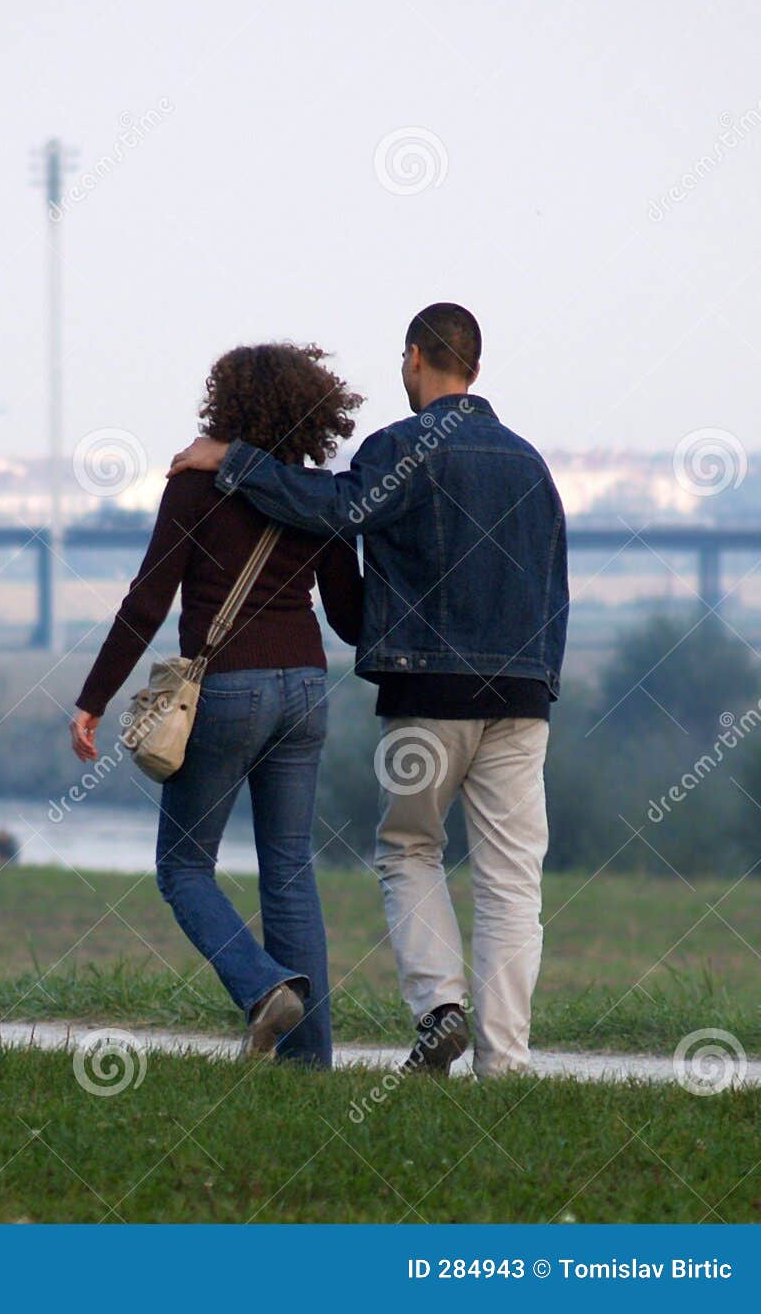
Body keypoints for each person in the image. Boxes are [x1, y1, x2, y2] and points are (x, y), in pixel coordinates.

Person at [168, 303, 568, 1079]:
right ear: (476, 370)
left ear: (415, 358)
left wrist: (235, 459)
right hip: (523, 699)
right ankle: (507, 1066)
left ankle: (439, 1007)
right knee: (513, 880)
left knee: (409, 847)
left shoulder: (402, 446)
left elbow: (334, 510)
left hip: (429, 698)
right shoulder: (531, 464)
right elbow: (555, 582)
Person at [71, 343, 363, 1068]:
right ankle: (308, 1063)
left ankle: (263, 989)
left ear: (224, 405)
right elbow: (354, 618)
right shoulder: (316, 496)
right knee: (290, 872)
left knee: (183, 868)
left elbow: (147, 601)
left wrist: (93, 698)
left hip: (227, 688)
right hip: (306, 688)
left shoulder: (195, 489)